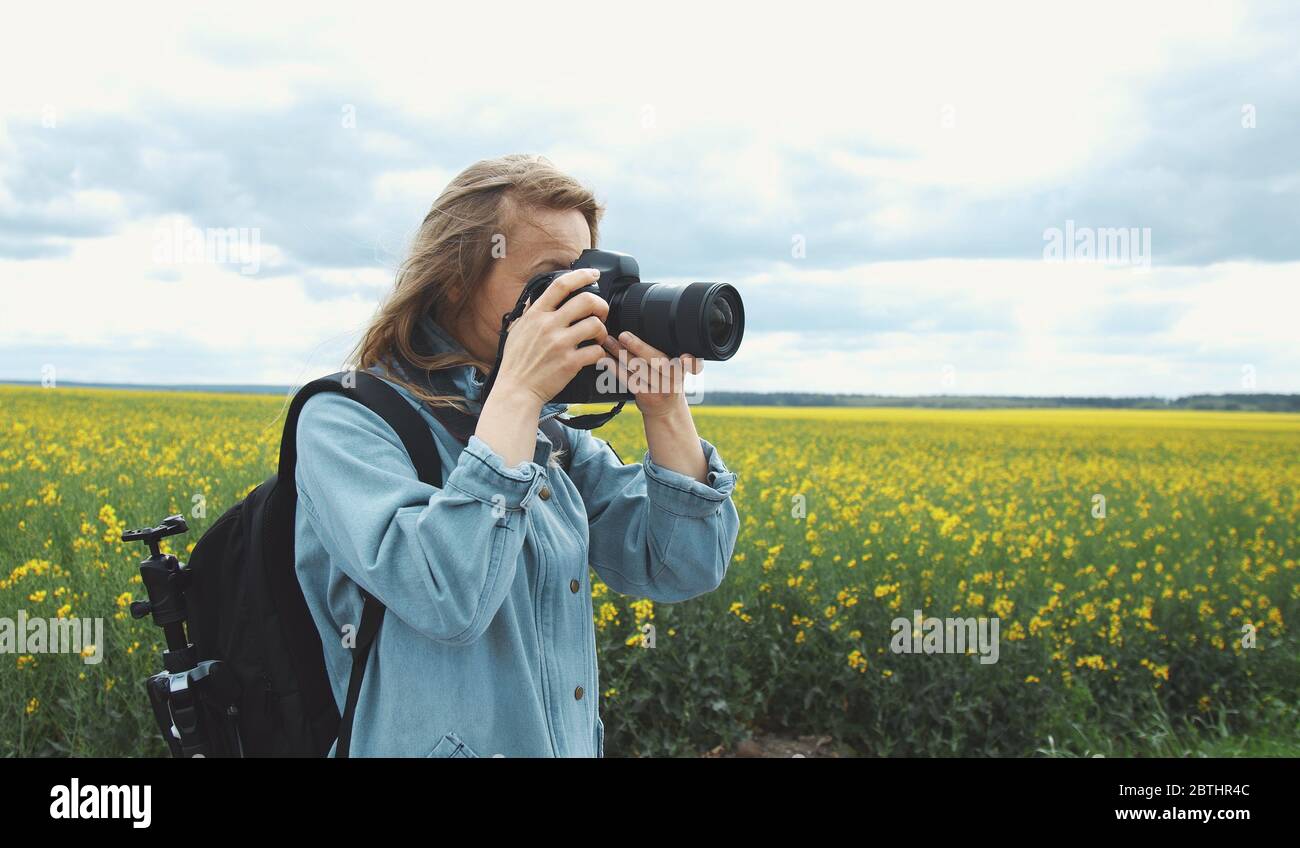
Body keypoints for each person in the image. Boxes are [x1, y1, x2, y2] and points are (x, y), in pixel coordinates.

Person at [292, 154, 741, 757]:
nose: (576, 302)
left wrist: (664, 410)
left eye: (583, 279)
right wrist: (521, 392)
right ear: (455, 278)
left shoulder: (547, 436)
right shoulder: (345, 420)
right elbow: (448, 596)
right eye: (550, 278)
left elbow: (679, 566)